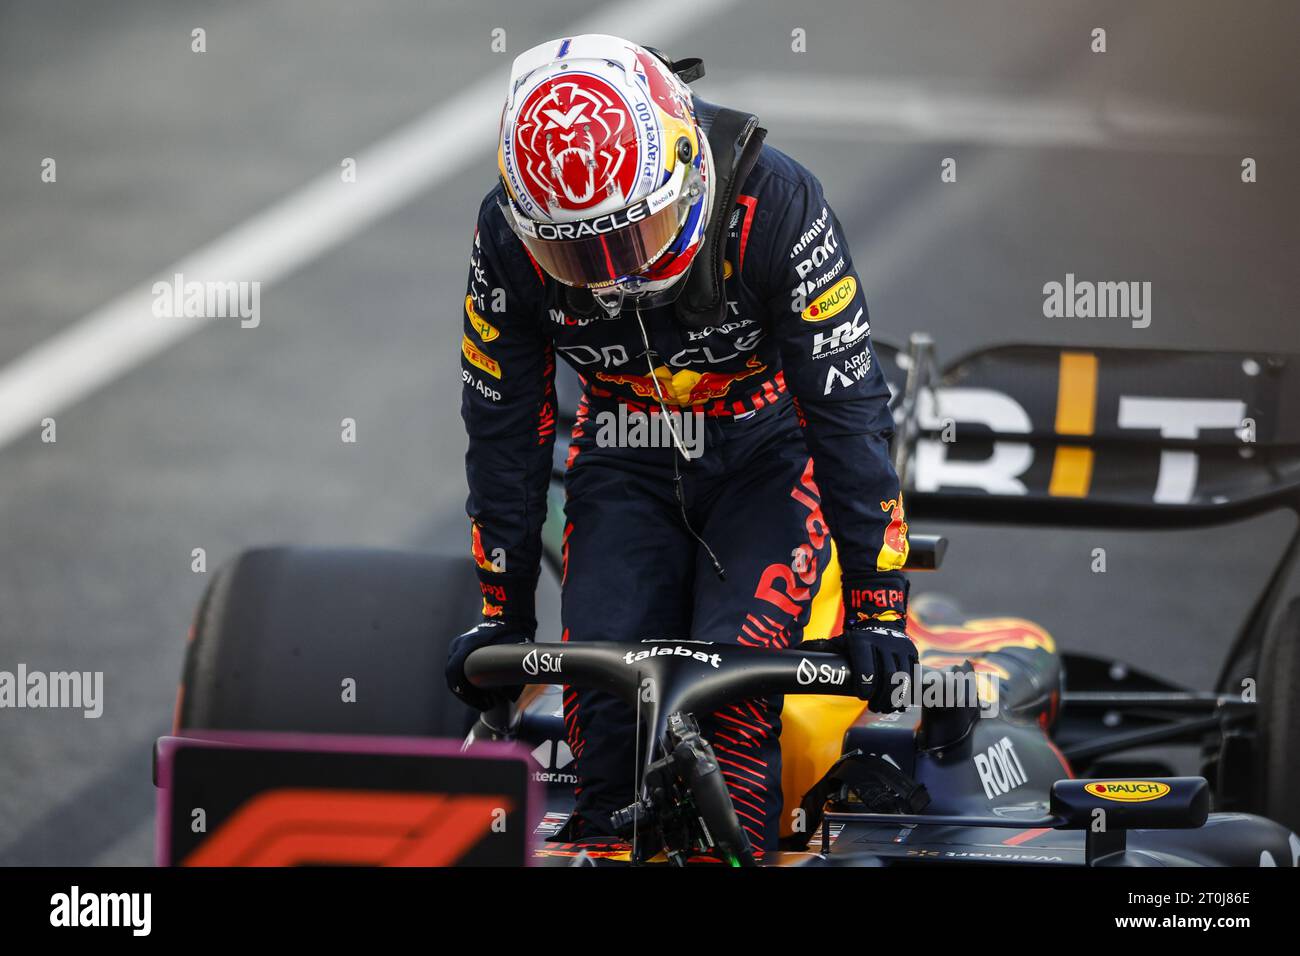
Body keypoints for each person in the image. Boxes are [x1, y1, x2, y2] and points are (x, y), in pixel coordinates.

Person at [446, 34, 916, 853]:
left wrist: (880, 605)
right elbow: (506, 431)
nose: (611, 275)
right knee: (600, 701)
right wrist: (503, 618)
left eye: (627, 237)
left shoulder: (777, 205)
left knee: (728, 705)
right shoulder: (506, 240)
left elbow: (846, 409)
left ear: (687, 163)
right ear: (529, 225)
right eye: (576, 251)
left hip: (769, 462)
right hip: (624, 460)